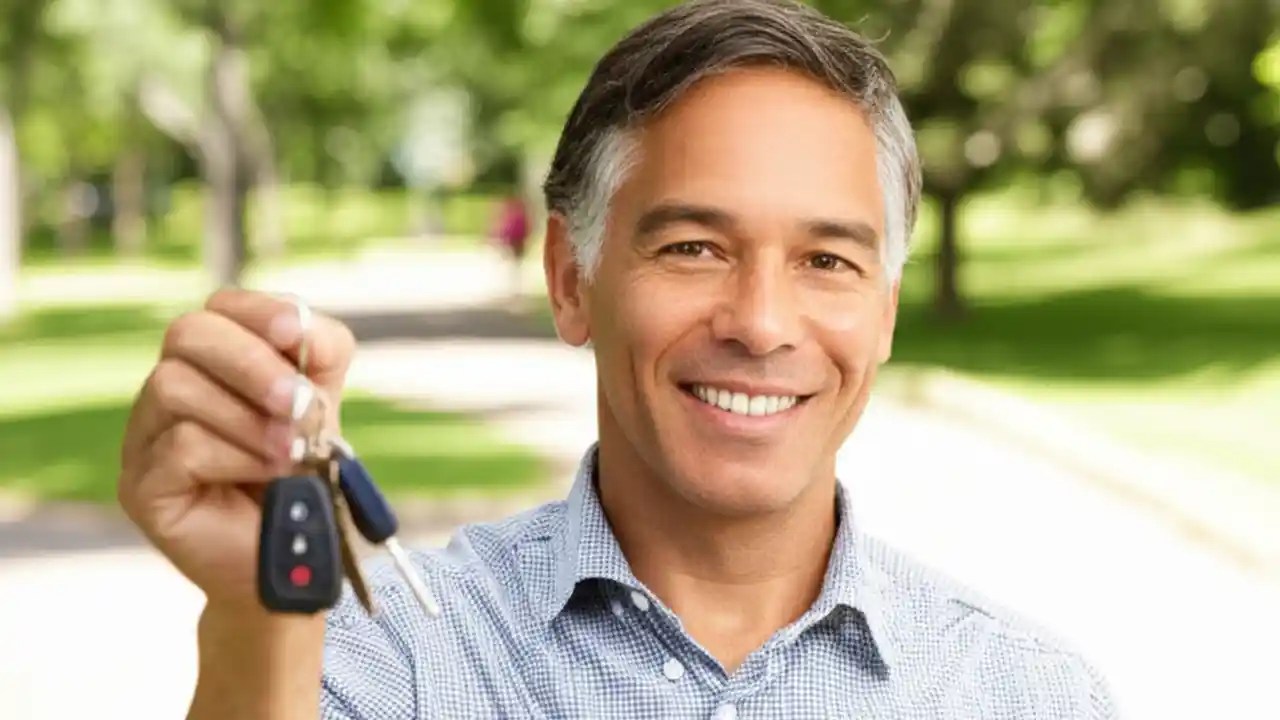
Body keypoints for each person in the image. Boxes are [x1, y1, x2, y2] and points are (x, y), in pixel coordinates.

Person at [116, 1, 1117, 717]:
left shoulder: (1030, 693)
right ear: (569, 277)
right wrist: (259, 616)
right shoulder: (381, 657)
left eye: (826, 260)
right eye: (693, 248)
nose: (761, 323)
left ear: (884, 313)